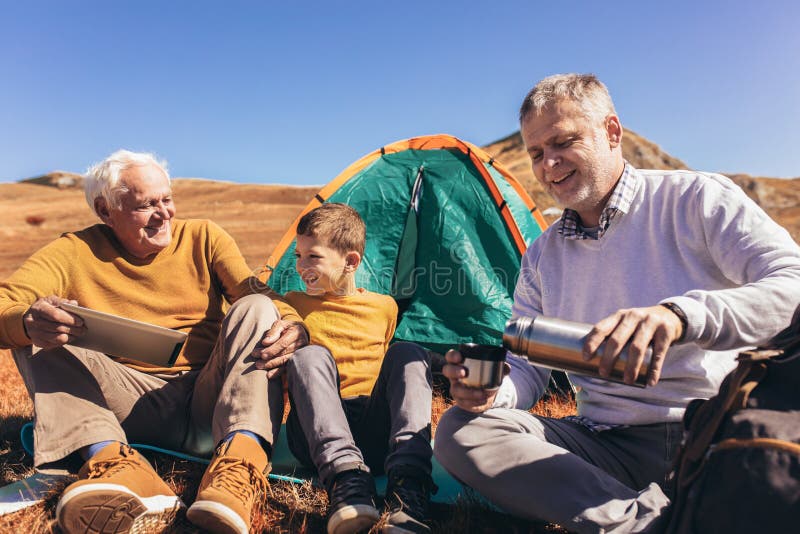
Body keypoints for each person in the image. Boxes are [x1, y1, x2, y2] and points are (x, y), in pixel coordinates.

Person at [433, 73, 800, 532]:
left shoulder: (694, 199)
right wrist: (493, 393)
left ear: (611, 132)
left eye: (563, 142)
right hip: (600, 444)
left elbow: (793, 283)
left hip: (706, 427)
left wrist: (682, 316)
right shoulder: (543, 254)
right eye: (536, 154)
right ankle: (657, 521)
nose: (549, 164)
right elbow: (526, 370)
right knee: (459, 430)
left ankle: (642, 515)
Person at [0, 150, 308, 534]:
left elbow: (252, 289)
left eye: (167, 199)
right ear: (105, 209)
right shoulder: (73, 251)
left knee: (257, 307)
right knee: (36, 328)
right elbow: (4, 304)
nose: (164, 214)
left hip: (207, 400)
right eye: (146, 205)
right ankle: (115, 465)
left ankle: (239, 469)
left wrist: (294, 324)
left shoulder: (204, 236)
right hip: (127, 406)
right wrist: (27, 321)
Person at [281, 203, 434, 534]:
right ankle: (347, 483)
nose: (300, 265)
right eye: (297, 255)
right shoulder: (291, 304)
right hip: (315, 432)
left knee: (408, 352)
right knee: (310, 356)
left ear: (350, 262)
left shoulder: (384, 307)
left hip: (373, 427)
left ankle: (409, 484)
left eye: (313, 257)